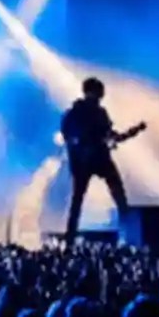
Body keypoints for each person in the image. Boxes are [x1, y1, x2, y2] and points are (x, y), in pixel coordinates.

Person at [60, 77, 131, 244]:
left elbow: (108, 134)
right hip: (91, 160)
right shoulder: (82, 113)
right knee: (115, 195)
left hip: (90, 160)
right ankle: (129, 229)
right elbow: (69, 135)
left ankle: (70, 237)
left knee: (79, 200)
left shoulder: (87, 112)